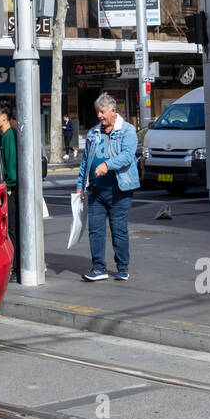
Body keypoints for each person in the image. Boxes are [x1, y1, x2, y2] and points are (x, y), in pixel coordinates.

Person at [75, 93, 138, 281]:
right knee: (95, 230)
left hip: (120, 190)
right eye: (98, 112)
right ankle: (98, 268)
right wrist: (80, 185)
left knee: (118, 230)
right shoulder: (94, 132)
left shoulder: (127, 130)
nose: (100, 116)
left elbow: (127, 155)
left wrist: (107, 165)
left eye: (102, 112)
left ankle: (122, 267)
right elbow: (86, 160)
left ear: (113, 111)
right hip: (96, 190)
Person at [0, 101, 20, 281]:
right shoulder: (4, 136)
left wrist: (9, 187)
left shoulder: (9, 136)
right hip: (8, 188)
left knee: (11, 230)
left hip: (10, 190)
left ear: (4, 117)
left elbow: (11, 166)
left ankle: (14, 267)